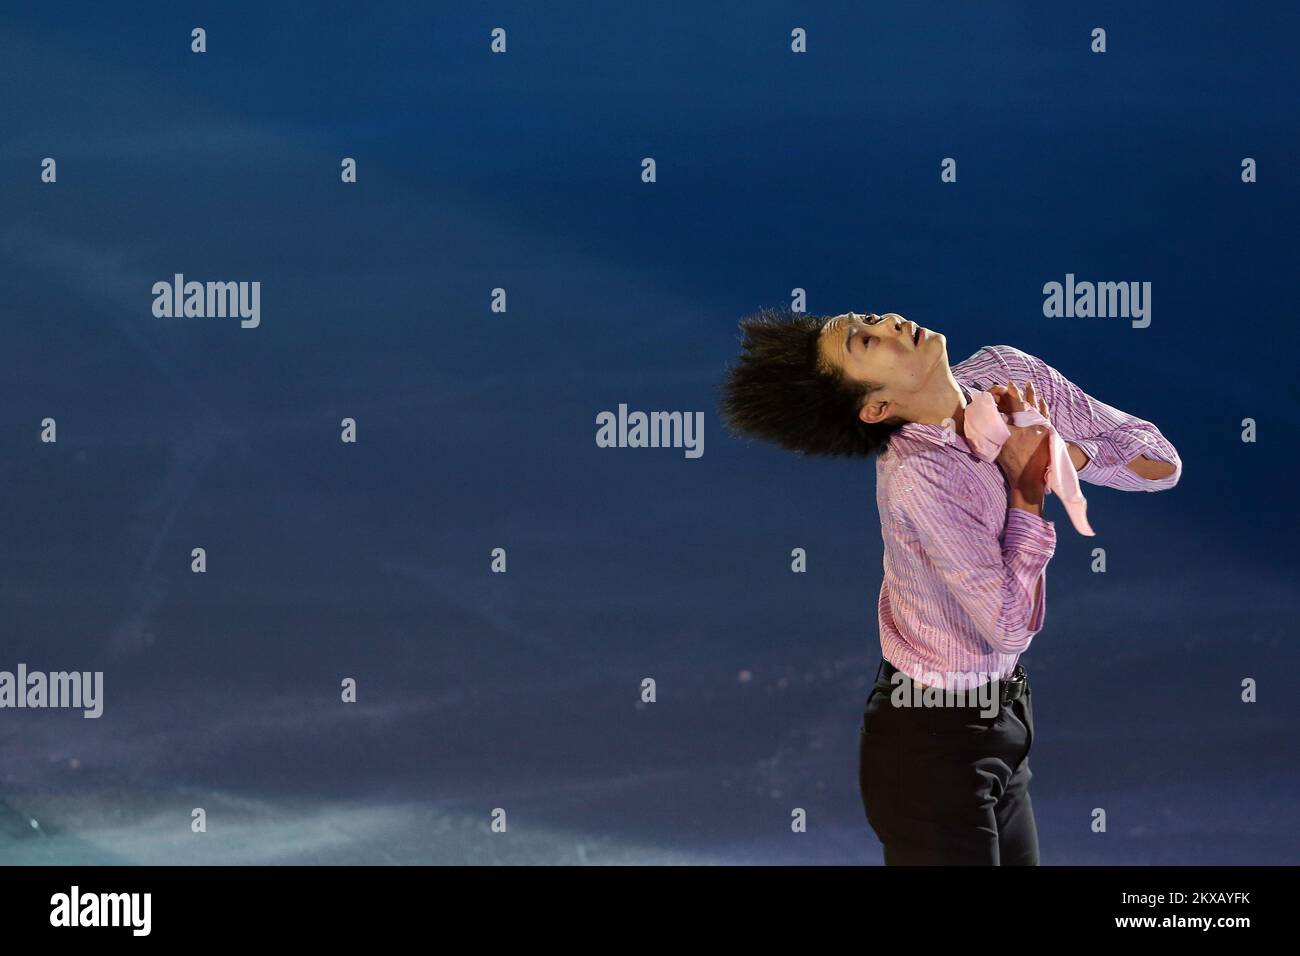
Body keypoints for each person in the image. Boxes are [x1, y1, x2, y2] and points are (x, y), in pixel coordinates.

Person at [718, 308, 1182, 864]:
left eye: (869, 318)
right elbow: (1009, 624)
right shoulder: (921, 476)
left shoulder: (1008, 372)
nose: (888, 322)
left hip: (1007, 716)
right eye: (866, 342)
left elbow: (1160, 461)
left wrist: (1059, 453)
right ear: (878, 407)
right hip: (929, 743)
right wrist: (1026, 492)